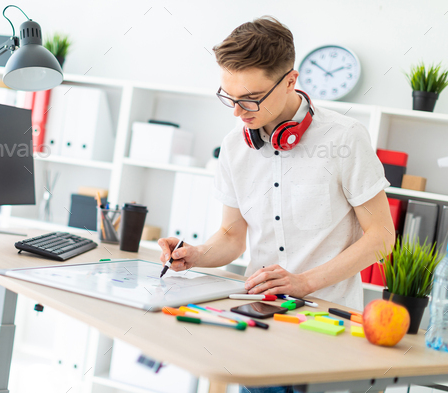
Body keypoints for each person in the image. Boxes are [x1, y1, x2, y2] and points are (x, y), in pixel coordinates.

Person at [158, 16, 395, 311]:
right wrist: (196, 254)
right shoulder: (233, 145)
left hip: (326, 312)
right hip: (255, 306)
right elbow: (232, 236)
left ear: (290, 81)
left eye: (250, 98)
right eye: (229, 97)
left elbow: (382, 237)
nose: (236, 112)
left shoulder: (345, 137)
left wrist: (304, 282)